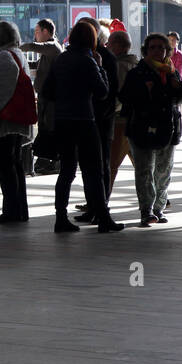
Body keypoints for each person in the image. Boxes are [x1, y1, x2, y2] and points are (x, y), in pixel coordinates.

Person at [39, 20, 121, 232]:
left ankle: (61, 218)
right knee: (93, 171)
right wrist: (100, 68)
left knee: (66, 171)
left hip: (63, 122)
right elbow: (102, 92)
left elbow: (47, 91)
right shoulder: (89, 60)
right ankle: (103, 218)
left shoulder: (61, 59)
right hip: (85, 120)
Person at [119, 32, 182, 226]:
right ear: (146, 51)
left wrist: (177, 87)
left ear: (167, 51)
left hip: (168, 127)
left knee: (164, 171)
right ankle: (146, 210)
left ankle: (159, 207)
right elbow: (125, 97)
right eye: (153, 47)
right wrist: (146, 91)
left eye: (161, 47)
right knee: (144, 170)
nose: (157, 51)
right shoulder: (137, 72)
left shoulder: (171, 72)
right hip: (142, 127)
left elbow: (180, 97)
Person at [0, 21, 34, 224]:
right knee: (14, 164)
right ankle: (19, 209)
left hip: (7, 119)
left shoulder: (5, 57)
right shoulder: (17, 53)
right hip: (16, 118)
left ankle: (11, 211)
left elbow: (4, 90)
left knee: (5, 165)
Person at [72, 18, 120, 222]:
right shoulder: (94, 56)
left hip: (98, 120)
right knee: (91, 165)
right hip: (93, 119)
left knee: (100, 165)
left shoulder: (104, 58)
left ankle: (100, 208)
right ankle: (94, 207)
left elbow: (108, 92)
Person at [22, 18, 62, 173]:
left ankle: (52, 160)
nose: (35, 35)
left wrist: (15, 48)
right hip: (46, 96)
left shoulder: (52, 46)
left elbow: (32, 46)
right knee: (45, 127)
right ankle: (46, 159)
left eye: (37, 32)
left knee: (49, 128)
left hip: (51, 97)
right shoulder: (48, 52)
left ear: (46, 32)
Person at [107, 29, 139, 190]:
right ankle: (160, 197)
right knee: (139, 162)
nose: (107, 46)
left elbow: (117, 96)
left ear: (118, 46)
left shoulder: (119, 66)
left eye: (110, 43)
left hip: (120, 120)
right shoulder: (135, 63)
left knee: (111, 163)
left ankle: (102, 200)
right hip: (136, 119)